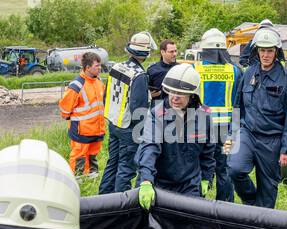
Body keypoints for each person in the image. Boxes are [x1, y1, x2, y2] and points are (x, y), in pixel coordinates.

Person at [229, 26, 287, 208]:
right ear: (256, 51)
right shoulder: (248, 73)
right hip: (248, 134)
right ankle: (251, 201)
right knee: (234, 169)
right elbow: (237, 106)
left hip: (272, 141)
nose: (265, 55)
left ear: (277, 52)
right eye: (262, 50)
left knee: (268, 193)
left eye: (269, 51)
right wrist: (231, 136)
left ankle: (260, 222)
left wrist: (286, 149)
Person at [135, 64, 217, 209]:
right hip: (159, 184)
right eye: (171, 91)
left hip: (189, 184)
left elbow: (208, 152)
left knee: (190, 225)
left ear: (193, 94)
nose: (174, 97)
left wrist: (206, 178)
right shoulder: (157, 114)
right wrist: (146, 181)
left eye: (180, 93)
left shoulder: (204, 116)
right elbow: (149, 146)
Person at [100, 30, 154, 194]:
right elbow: (138, 108)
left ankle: (103, 198)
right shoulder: (139, 75)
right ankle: (119, 206)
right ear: (145, 54)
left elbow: (107, 95)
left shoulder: (116, 67)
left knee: (112, 163)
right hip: (128, 128)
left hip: (113, 122)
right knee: (126, 168)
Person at [195, 28, 241, 201]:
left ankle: (196, 205)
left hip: (200, 130)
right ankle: (225, 207)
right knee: (225, 169)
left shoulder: (195, 69)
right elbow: (238, 105)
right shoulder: (236, 71)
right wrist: (235, 131)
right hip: (227, 131)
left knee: (199, 166)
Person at [59, 51, 106, 176]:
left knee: (92, 156)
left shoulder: (99, 82)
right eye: (97, 66)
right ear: (87, 68)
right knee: (79, 157)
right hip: (82, 130)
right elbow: (65, 108)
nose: (100, 68)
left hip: (97, 129)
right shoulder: (77, 85)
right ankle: (77, 183)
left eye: (100, 65)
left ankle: (92, 179)